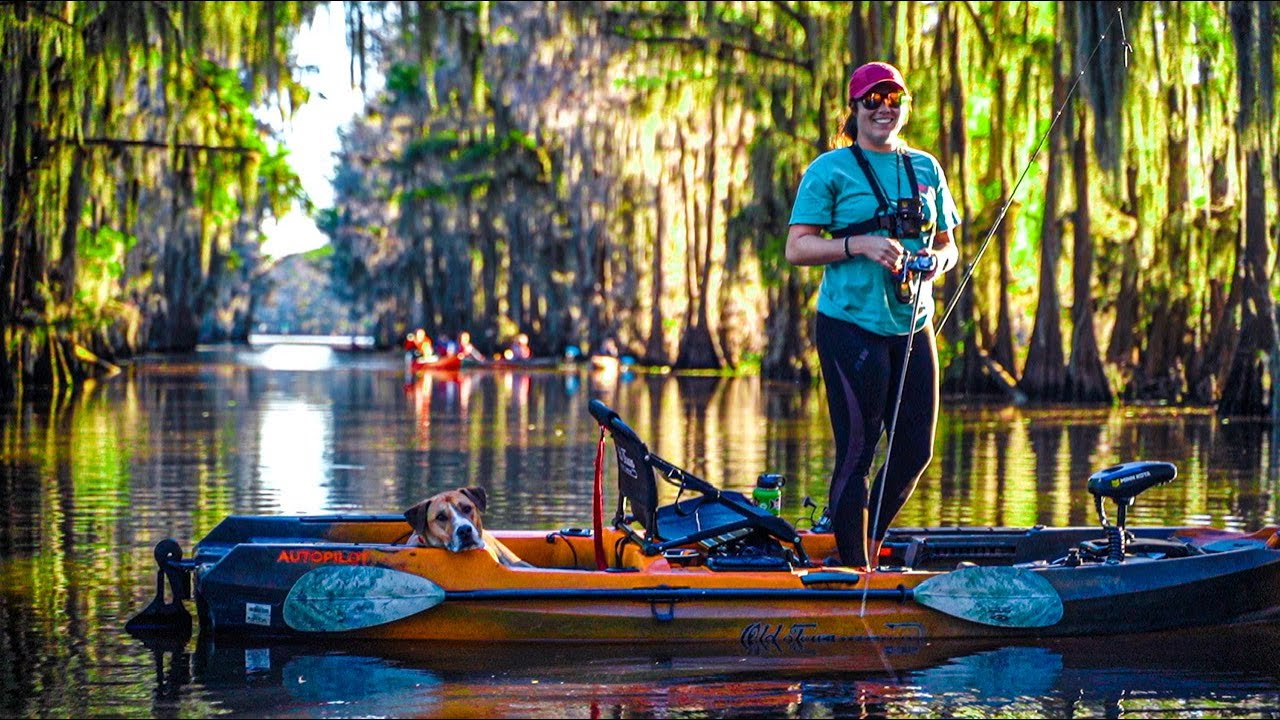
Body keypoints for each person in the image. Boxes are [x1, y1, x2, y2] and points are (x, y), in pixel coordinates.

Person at [785, 61, 961, 570]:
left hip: (911, 323)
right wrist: (857, 243)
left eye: (894, 99)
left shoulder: (926, 168)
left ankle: (862, 547)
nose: (884, 108)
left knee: (914, 450)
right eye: (872, 100)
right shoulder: (830, 170)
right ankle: (854, 568)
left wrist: (935, 262)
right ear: (855, 109)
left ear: (905, 106)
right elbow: (798, 249)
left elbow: (949, 247)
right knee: (858, 452)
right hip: (849, 326)